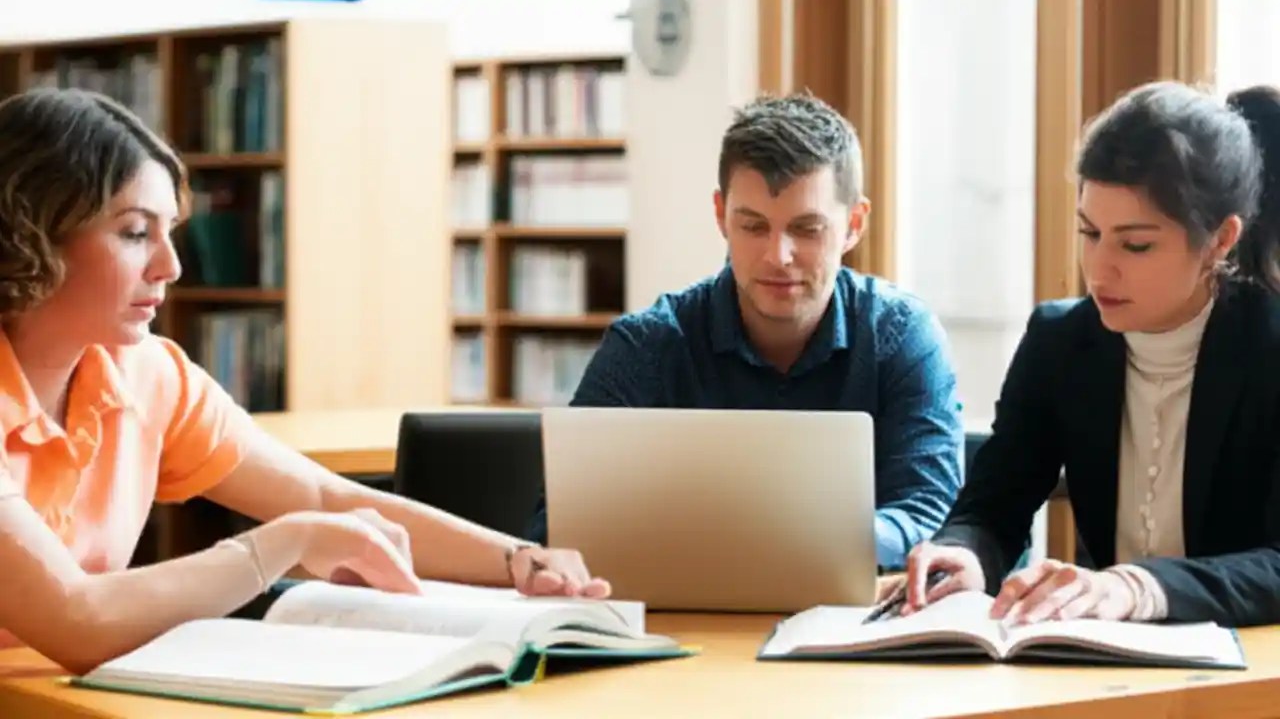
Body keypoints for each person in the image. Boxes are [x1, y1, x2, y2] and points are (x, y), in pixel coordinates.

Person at [0, 88, 610, 675]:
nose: (172, 266)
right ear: (32, 234)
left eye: (170, 233)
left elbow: (322, 498)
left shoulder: (147, 376)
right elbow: (76, 619)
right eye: (136, 233)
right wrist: (279, 545)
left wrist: (517, 560)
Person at [528, 93, 964, 570]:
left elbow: (931, 512)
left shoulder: (902, 336)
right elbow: (559, 527)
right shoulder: (646, 346)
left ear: (854, 224)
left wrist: (800, 545)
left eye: (807, 229)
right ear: (721, 215)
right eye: (754, 227)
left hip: (855, 608)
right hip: (675, 607)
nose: (778, 256)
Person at [901, 80, 1280, 628]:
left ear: (1220, 239)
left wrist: (1136, 587)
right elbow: (992, 507)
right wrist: (966, 554)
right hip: (1106, 659)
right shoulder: (1060, 342)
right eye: (1089, 232)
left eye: (1136, 244)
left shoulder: (1268, 349)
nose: (1099, 269)